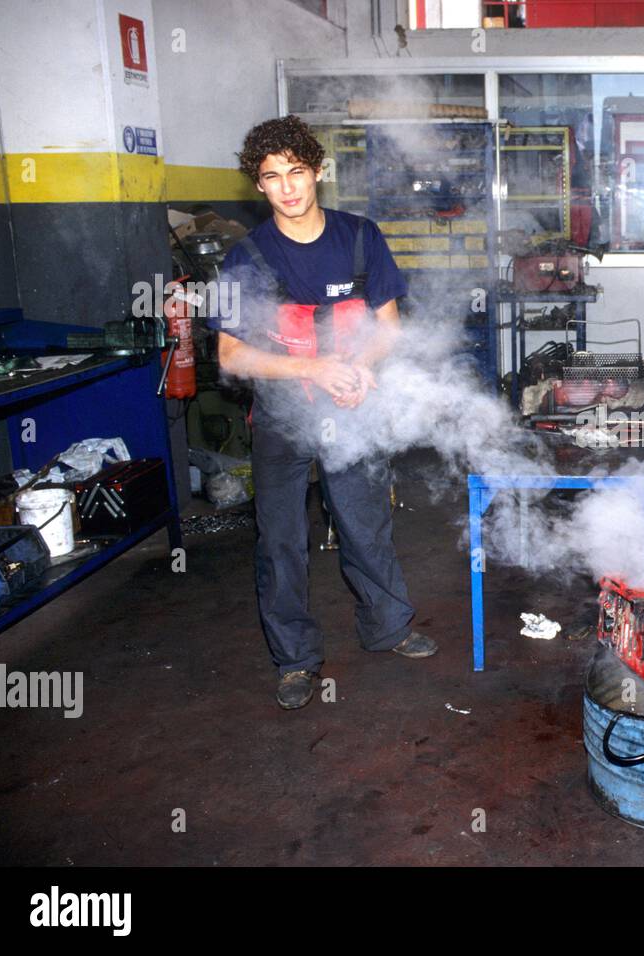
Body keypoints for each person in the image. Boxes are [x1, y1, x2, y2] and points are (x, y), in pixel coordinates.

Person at [213, 115, 436, 711]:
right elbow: (231, 355)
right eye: (271, 177)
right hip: (285, 415)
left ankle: (388, 626)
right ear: (258, 185)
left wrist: (360, 368)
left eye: (297, 172)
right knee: (281, 538)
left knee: (365, 521)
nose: (287, 187)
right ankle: (294, 660)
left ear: (317, 173)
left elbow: (388, 330)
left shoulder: (360, 238)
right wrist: (312, 369)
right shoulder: (244, 259)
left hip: (352, 402)